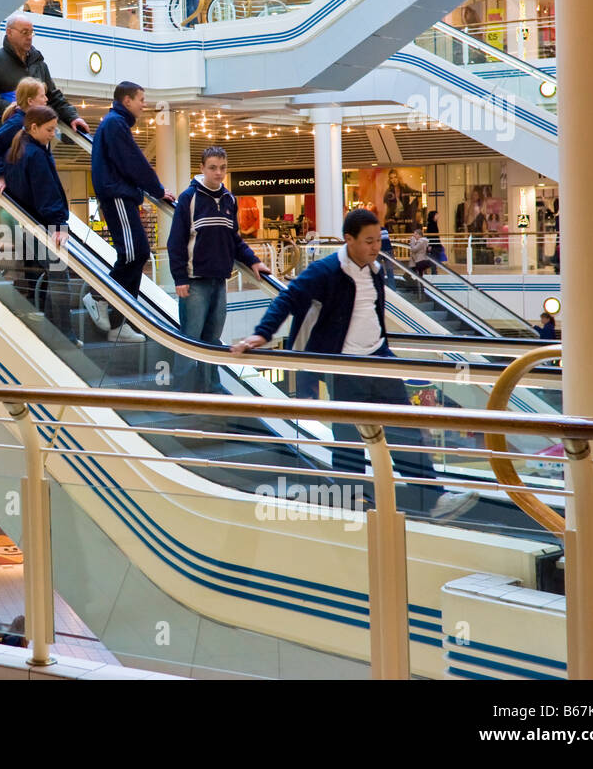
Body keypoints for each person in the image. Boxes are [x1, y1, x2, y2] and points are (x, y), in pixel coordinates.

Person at [230, 209, 479, 522]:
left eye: (378, 240)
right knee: (348, 440)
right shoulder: (326, 271)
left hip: (380, 360)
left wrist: (384, 349)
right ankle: (351, 503)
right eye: (368, 241)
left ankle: (431, 499)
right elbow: (288, 299)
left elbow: (373, 313)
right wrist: (261, 335)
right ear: (349, 240)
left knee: (407, 431)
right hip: (347, 367)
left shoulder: (374, 269)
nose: (376, 247)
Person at [167, 146, 270, 391]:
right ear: (202, 169)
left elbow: (234, 239)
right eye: (213, 168)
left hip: (219, 280)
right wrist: (179, 277)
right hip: (194, 282)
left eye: (222, 168)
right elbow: (176, 241)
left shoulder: (229, 199)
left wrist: (253, 260)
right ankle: (181, 391)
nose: (218, 173)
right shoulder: (189, 198)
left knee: (213, 340)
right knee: (190, 339)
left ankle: (210, 387)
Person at [83, 82, 175, 343]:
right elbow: (133, 161)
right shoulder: (115, 124)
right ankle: (99, 297)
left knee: (137, 254)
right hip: (117, 194)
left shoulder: (115, 124)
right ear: (126, 100)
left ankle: (119, 322)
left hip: (120, 193)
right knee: (133, 253)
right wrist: (157, 189)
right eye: (141, 99)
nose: (144, 105)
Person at [1, 105, 76, 343]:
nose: (53, 134)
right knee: (58, 279)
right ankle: (65, 335)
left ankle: (49, 333)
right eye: (50, 129)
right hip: (44, 228)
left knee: (42, 280)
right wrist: (59, 226)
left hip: (27, 227)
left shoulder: (16, 151)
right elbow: (47, 194)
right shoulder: (36, 155)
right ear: (33, 127)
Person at [0, 14, 88, 137]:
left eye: (31, 33)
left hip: (37, 139)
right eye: (24, 32)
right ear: (9, 32)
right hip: (8, 140)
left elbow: (53, 97)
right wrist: (11, 107)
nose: (29, 37)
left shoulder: (39, 64)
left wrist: (72, 117)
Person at [0, 76, 46, 192]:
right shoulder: (17, 123)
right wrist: (0, 176)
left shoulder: (26, 122)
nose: (46, 99)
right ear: (30, 101)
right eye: (42, 96)